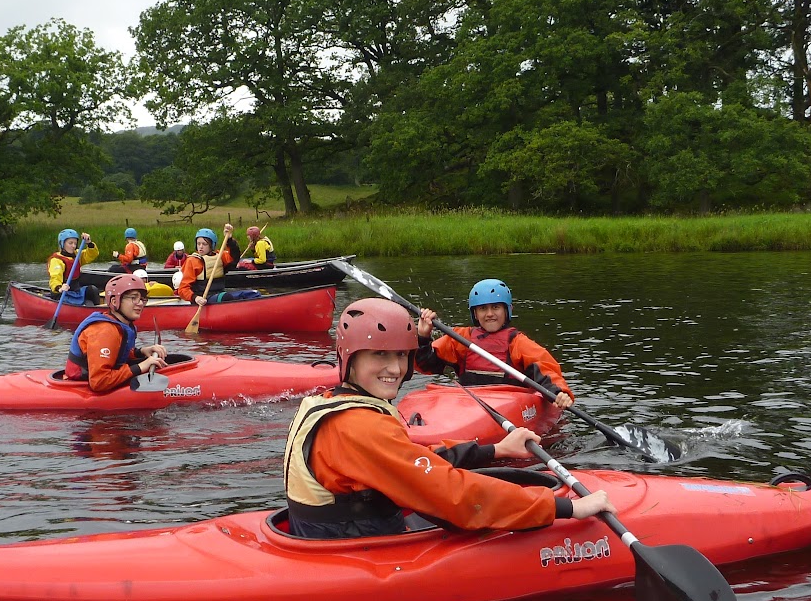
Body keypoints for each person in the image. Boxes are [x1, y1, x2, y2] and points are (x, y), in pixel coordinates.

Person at [281, 297, 612, 539]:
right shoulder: (357, 425)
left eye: (400, 355)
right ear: (349, 358)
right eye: (379, 354)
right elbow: (456, 495)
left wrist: (495, 451)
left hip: (332, 529)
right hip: (356, 543)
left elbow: (412, 459)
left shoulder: (325, 402)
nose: (394, 368)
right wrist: (564, 509)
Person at [414, 279, 575, 410]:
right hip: (469, 405)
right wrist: (423, 336)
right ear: (475, 314)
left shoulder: (518, 343)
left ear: (507, 310)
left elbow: (546, 370)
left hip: (509, 407)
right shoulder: (460, 339)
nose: (490, 314)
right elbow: (425, 364)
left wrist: (558, 393)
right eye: (483, 308)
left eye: (496, 307)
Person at [62, 274, 170, 393]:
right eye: (134, 298)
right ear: (115, 301)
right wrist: (141, 366)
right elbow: (99, 382)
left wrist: (141, 352)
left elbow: (117, 353)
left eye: (142, 299)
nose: (140, 303)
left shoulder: (122, 325)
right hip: (80, 386)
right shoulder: (104, 330)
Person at [175, 223, 243, 304]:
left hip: (219, 294)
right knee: (226, 297)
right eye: (198, 243)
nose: (200, 247)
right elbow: (183, 289)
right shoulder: (192, 261)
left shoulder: (220, 256)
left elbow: (234, 258)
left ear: (212, 245)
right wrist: (195, 298)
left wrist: (229, 239)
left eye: (204, 244)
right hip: (203, 298)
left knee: (252, 293)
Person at [48, 228, 100, 305]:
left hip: (76, 291)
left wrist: (89, 243)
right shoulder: (56, 260)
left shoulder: (77, 255)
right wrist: (59, 288)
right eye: (70, 243)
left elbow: (92, 254)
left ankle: (96, 310)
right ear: (62, 243)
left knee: (92, 290)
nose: (73, 246)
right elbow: (55, 277)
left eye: (75, 243)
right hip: (62, 293)